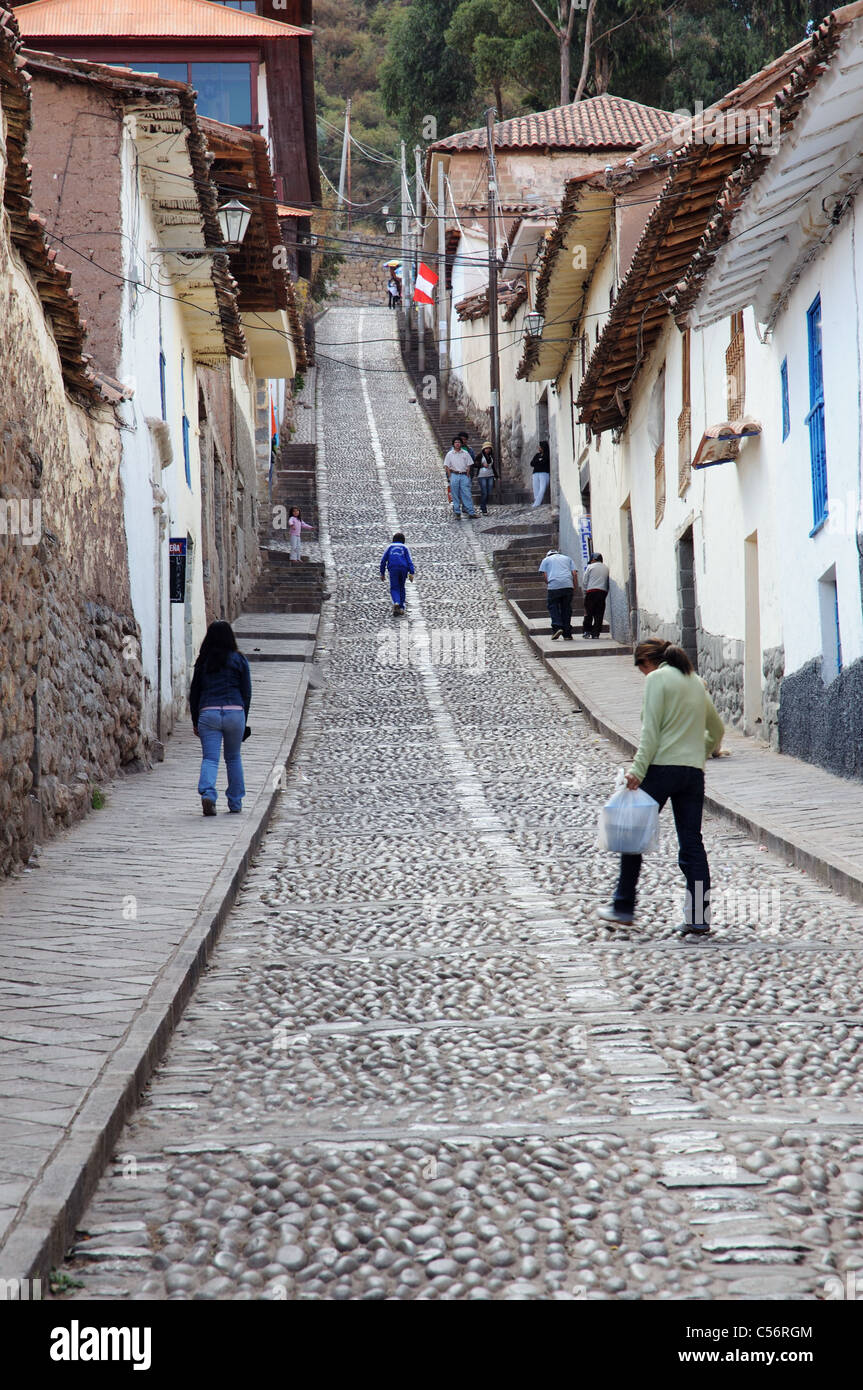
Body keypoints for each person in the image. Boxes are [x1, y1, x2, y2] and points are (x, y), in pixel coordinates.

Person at [598, 639, 724, 937]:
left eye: (640, 668)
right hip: (692, 773)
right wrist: (699, 753)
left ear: (648, 663)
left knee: (631, 834)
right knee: (692, 845)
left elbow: (650, 732)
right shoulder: (696, 681)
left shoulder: (656, 680)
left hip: (661, 769)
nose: (642, 674)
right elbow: (717, 729)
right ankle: (698, 918)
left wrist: (636, 771)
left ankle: (624, 906)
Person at [190, 621, 252, 817]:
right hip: (235, 712)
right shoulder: (240, 660)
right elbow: (247, 692)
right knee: (233, 758)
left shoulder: (203, 661)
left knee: (210, 758)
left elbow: (194, 693)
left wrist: (195, 719)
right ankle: (235, 801)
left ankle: (208, 794)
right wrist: (244, 717)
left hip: (208, 713)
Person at [538, 547, 577, 641]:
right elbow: (574, 573)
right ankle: (567, 634)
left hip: (554, 586)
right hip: (568, 585)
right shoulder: (567, 558)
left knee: (553, 606)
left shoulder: (546, 560)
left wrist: (549, 583)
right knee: (566, 609)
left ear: (548, 555)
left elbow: (545, 575)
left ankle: (557, 627)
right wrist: (574, 586)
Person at [380, 531, 415, 616]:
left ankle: (396, 602)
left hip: (393, 568)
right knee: (401, 587)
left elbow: (383, 560)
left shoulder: (389, 547)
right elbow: (409, 560)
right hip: (403, 568)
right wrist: (411, 572)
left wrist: (382, 573)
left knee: (394, 587)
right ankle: (402, 607)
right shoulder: (405, 548)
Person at [443, 436, 476, 519]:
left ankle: (471, 512)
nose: (457, 444)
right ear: (453, 444)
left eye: (459, 442)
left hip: (464, 475)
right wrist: (450, 476)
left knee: (467, 493)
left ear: (461, 444)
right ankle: (457, 512)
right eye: (456, 442)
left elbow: (469, 464)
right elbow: (447, 466)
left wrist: (467, 474)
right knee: (455, 494)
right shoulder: (450, 454)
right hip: (454, 474)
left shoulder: (465, 453)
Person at [582, 551, 610, 639]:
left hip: (591, 591)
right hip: (602, 592)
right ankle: (596, 633)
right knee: (599, 613)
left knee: (588, 612)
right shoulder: (606, 568)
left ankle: (587, 631)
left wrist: (584, 592)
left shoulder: (590, 567)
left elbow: (585, 580)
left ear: (593, 559)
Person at [476, 441, 496, 514]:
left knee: (489, 491)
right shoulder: (480, 456)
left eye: (489, 448)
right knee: (484, 492)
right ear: (483, 449)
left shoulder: (491, 456)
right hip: (482, 476)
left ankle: (482, 505)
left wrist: (496, 476)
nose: (488, 450)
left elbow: (493, 467)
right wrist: (482, 465)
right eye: (486, 448)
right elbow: (475, 464)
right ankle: (483, 508)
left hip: (490, 475)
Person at [530, 440, 551, 508]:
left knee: (542, 488)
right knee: (536, 488)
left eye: (540, 447)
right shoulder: (537, 455)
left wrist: (538, 462)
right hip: (535, 473)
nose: (538, 448)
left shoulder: (547, 455)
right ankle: (537, 501)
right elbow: (532, 463)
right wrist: (539, 461)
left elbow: (544, 462)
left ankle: (537, 503)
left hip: (544, 473)